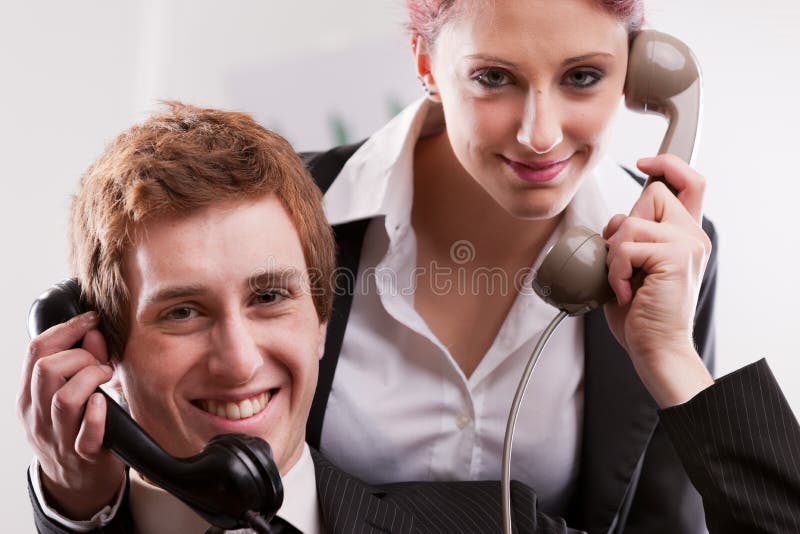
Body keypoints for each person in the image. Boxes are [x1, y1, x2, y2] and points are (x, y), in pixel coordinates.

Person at [18, 103, 800, 533]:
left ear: (324, 316)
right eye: (183, 311)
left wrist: (671, 356)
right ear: (102, 346)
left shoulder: (494, 525)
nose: (238, 357)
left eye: (270, 297)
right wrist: (77, 507)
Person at [300, 0, 715, 532]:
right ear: (426, 63)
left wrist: (671, 355)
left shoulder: (670, 251)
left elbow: (668, 521)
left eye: (583, 76)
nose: (539, 136)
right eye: (493, 77)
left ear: (636, 72)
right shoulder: (286, 211)